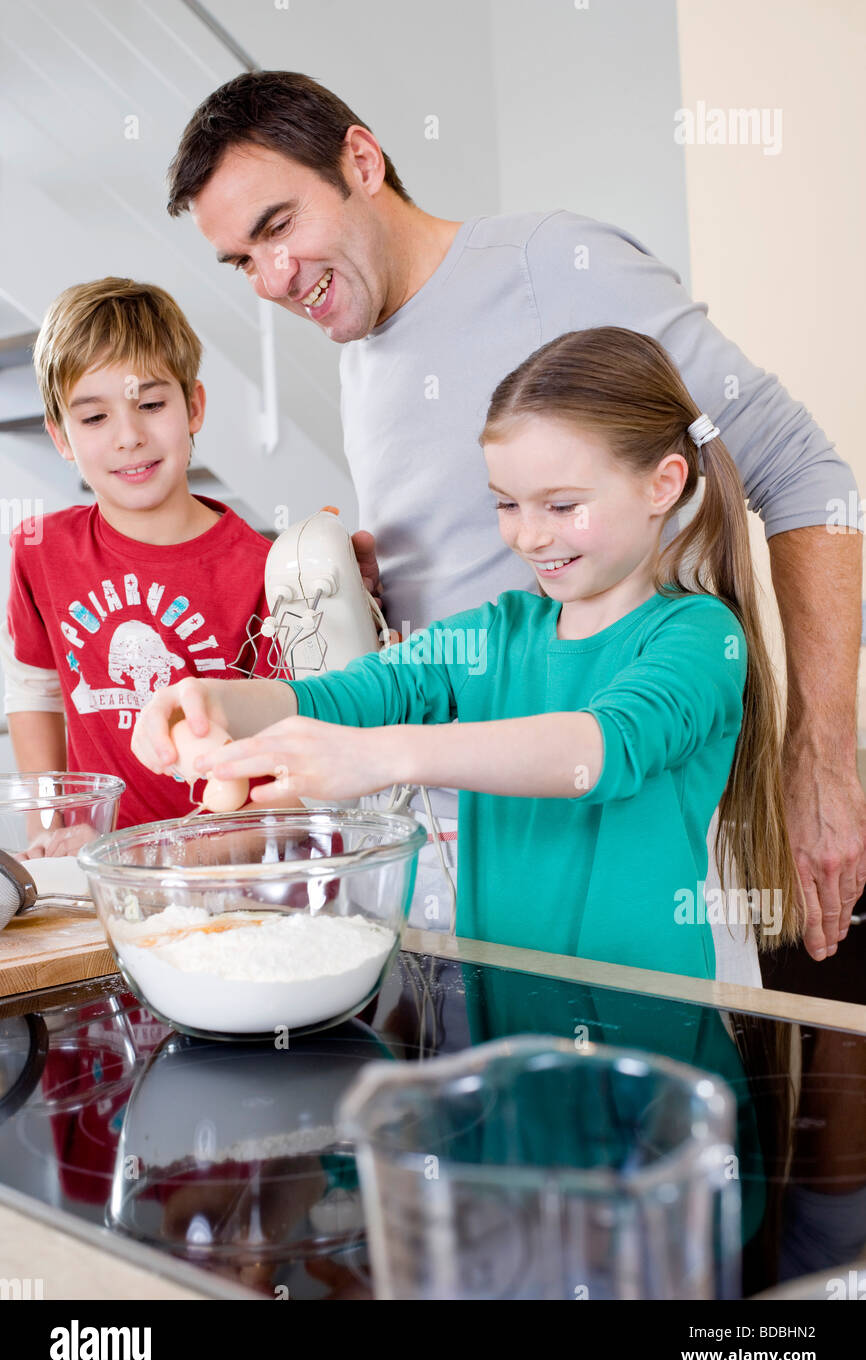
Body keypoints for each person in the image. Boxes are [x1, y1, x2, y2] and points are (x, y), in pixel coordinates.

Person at [165, 70, 865, 965]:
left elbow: (807, 474)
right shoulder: (359, 347)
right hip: (472, 867)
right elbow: (439, 646)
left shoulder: (553, 265)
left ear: (363, 160)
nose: (273, 279)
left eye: (279, 227)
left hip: (624, 846)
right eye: (241, 261)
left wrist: (825, 755)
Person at [132, 326, 807, 983]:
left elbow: (602, 749)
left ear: (663, 485)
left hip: (644, 1038)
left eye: (563, 504)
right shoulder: (495, 633)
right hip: (507, 1029)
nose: (531, 535)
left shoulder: (696, 635)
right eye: (508, 504)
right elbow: (345, 695)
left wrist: (382, 755)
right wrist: (213, 699)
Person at [1, 276, 289, 843]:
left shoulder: (266, 571)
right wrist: (50, 824)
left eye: (151, 404)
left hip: (229, 868)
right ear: (60, 437)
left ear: (194, 407)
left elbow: (278, 754)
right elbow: (35, 690)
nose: (129, 436)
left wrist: (182, 861)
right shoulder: (40, 550)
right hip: (97, 868)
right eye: (93, 418)